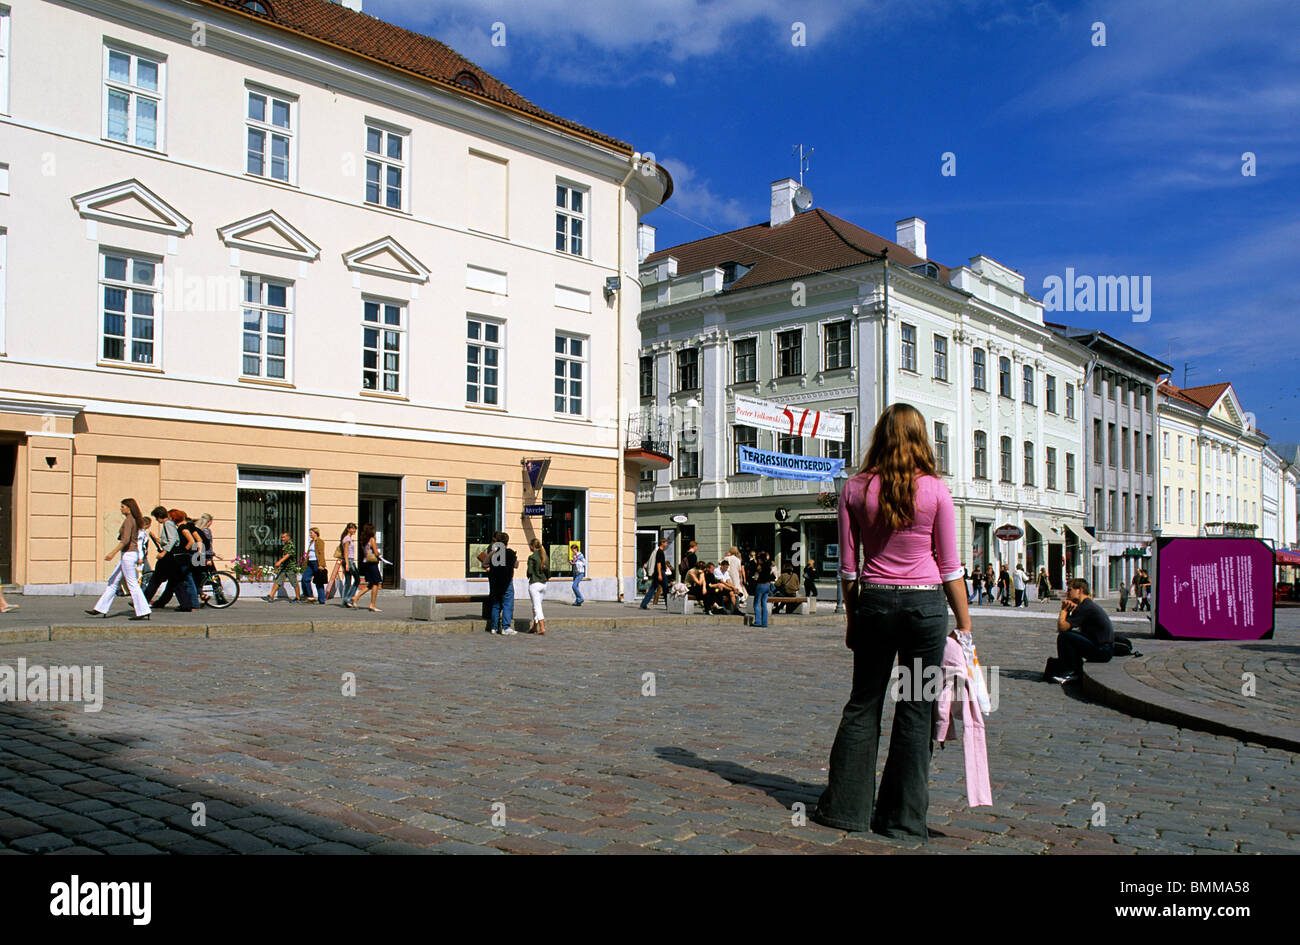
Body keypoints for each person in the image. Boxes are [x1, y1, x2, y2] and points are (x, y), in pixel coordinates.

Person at [811, 402, 970, 842]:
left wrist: (850, 619)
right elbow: (950, 566)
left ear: (879, 436)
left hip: (874, 605)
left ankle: (846, 808)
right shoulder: (936, 490)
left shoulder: (854, 488)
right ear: (922, 439)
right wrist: (966, 624)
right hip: (925, 611)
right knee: (916, 711)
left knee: (863, 704)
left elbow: (847, 567)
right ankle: (901, 820)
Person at [85, 498, 152, 621]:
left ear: (129, 508)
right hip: (129, 554)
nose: (121, 509)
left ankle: (143, 610)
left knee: (132, 584)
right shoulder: (135, 520)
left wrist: (112, 553)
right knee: (113, 581)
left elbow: (125, 540)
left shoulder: (129, 520)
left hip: (128, 555)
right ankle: (100, 608)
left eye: (123, 507)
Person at [1051, 578, 1114, 683]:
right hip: (1104, 647)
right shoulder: (1086, 604)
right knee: (1069, 635)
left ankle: (1070, 671)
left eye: (1069, 590)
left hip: (1103, 650)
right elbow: (1068, 627)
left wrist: (1064, 610)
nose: (1067, 593)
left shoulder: (1085, 607)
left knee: (1064, 637)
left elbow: (1062, 627)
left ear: (1079, 590)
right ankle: (1073, 667)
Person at [480, 531, 518, 634]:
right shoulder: (509, 553)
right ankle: (505, 627)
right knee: (507, 604)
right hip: (507, 582)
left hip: (495, 582)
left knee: (496, 605)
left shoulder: (493, 553)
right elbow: (516, 565)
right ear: (506, 542)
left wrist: (490, 569)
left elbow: (484, 564)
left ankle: (494, 627)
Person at [142, 505, 179, 604]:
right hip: (170, 556)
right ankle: (160, 602)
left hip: (168, 556)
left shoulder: (168, 524)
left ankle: (143, 600)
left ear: (159, 516)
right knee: (171, 581)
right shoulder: (169, 524)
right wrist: (156, 538)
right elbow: (168, 540)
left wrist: (164, 552)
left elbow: (173, 540)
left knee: (155, 579)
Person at [348, 523, 383, 611]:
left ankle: (356, 597)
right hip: (372, 563)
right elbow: (375, 552)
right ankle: (372, 604)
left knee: (370, 584)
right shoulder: (372, 539)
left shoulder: (363, 540)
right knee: (376, 583)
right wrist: (380, 555)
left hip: (366, 562)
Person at [264, 531, 302, 603]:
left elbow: (288, 554)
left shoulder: (291, 545)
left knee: (294, 583)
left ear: (288, 537)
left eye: (284, 537)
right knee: (278, 581)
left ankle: (298, 598)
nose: (283, 539)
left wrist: (279, 562)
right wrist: (280, 565)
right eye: (282, 537)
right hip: (284, 567)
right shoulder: (285, 545)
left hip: (290, 567)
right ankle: (271, 596)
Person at [639, 538, 669, 609]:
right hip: (660, 572)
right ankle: (669, 604)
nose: (667, 544)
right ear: (662, 543)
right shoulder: (659, 552)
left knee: (652, 588)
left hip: (657, 572)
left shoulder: (659, 551)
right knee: (666, 588)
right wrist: (660, 574)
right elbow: (658, 563)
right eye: (666, 543)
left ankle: (643, 604)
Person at [527, 538, 549, 634]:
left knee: (537, 607)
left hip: (535, 584)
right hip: (544, 584)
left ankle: (542, 627)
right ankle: (534, 627)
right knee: (537, 605)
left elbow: (530, 572)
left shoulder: (532, 557)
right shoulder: (544, 555)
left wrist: (528, 574)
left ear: (532, 546)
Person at [300, 527, 327, 604]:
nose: (310, 534)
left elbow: (321, 553)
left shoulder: (320, 541)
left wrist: (321, 564)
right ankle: (310, 596)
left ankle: (322, 599)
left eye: (311, 533)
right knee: (305, 578)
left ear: (315, 533)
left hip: (316, 562)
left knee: (318, 581)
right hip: (310, 563)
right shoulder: (312, 542)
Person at [336, 523, 359, 605]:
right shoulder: (347, 539)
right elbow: (345, 552)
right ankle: (348, 598)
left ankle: (344, 602)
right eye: (352, 528)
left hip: (348, 560)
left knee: (348, 581)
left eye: (355, 529)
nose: (354, 530)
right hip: (349, 561)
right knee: (357, 579)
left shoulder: (347, 538)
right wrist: (347, 564)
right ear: (348, 529)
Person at [751, 551, 775, 627]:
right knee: (764, 604)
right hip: (767, 586)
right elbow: (773, 577)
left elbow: (755, 577)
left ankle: (758, 621)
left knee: (756, 604)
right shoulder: (769, 566)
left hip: (760, 585)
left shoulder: (759, 567)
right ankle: (765, 622)